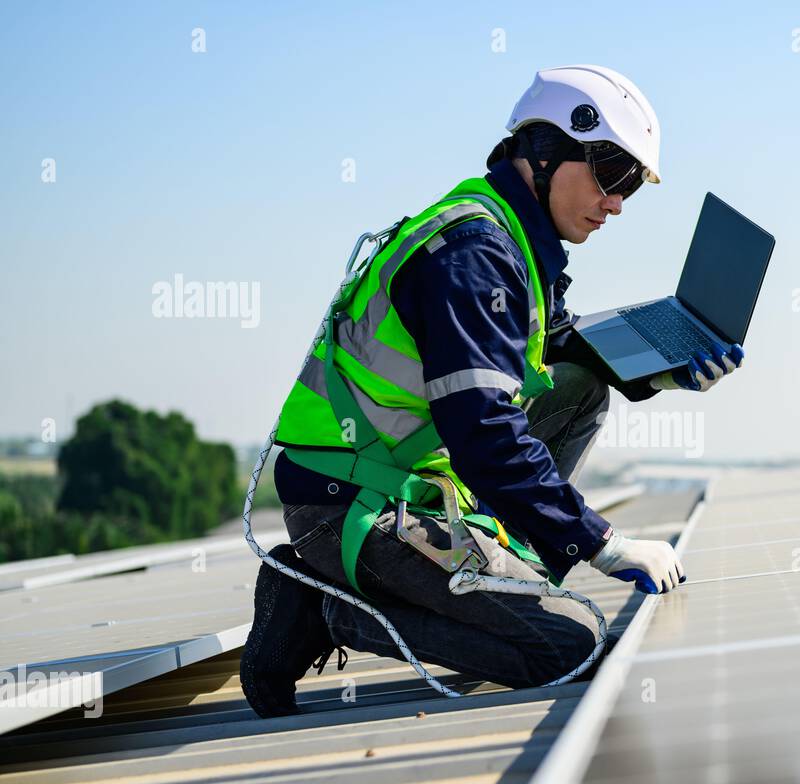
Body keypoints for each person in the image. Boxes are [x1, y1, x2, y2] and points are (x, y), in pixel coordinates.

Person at [241, 65, 743, 717]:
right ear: (545, 151)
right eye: (612, 175)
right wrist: (601, 543)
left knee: (582, 386)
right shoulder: (472, 253)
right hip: (353, 506)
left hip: (412, 481)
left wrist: (669, 368)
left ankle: (499, 562)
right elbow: (484, 433)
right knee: (571, 651)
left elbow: (563, 351)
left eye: (630, 189)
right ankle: (327, 610)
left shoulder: (510, 239)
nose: (616, 203)